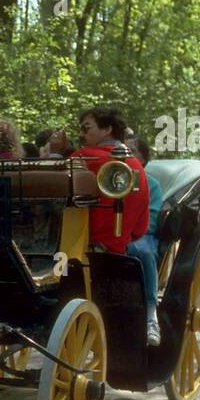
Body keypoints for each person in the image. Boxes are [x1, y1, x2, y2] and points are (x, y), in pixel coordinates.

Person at [75, 107, 152, 341]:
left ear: (107, 129)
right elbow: (140, 229)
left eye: (86, 127)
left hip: (77, 253)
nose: (81, 133)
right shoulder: (137, 167)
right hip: (115, 252)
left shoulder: (82, 159)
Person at [124, 136, 163, 346]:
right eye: (124, 150)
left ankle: (151, 315)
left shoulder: (152, 184)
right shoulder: (110, 178)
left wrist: (128, 234)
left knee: (143, 251)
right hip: (115, 234)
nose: (126, 154)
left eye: (132, 151)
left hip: (141, 235)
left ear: (143, 158)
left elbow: (153, 219)